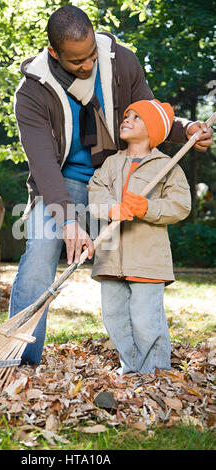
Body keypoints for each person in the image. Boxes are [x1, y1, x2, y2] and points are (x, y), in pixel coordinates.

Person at [9, 5, 213, 366]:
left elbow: (149, 112)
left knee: (128, 269)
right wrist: (69, 222)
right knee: (39, 258)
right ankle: (22, 360)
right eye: (77, 62)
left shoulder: (120, 61)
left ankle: (146, 364)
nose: (88, 66)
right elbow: (43, 165)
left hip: (119, 176)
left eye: (91, 56)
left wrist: (186, 129)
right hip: (62, 182)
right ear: (54, 54)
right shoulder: (31, 93)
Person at [87, 99, 192, 374]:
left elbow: (180, 206)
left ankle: (155, 372)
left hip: (148, 259)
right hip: (111, 258)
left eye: (137, 117)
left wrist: (148, 208)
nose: (127, 119)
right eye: (126, 115)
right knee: (115, 317)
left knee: (146, 320)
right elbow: (95, 192)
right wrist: (112, 207)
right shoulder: (111, 164)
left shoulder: (167, 166)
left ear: (154, 131)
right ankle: (132, 368)